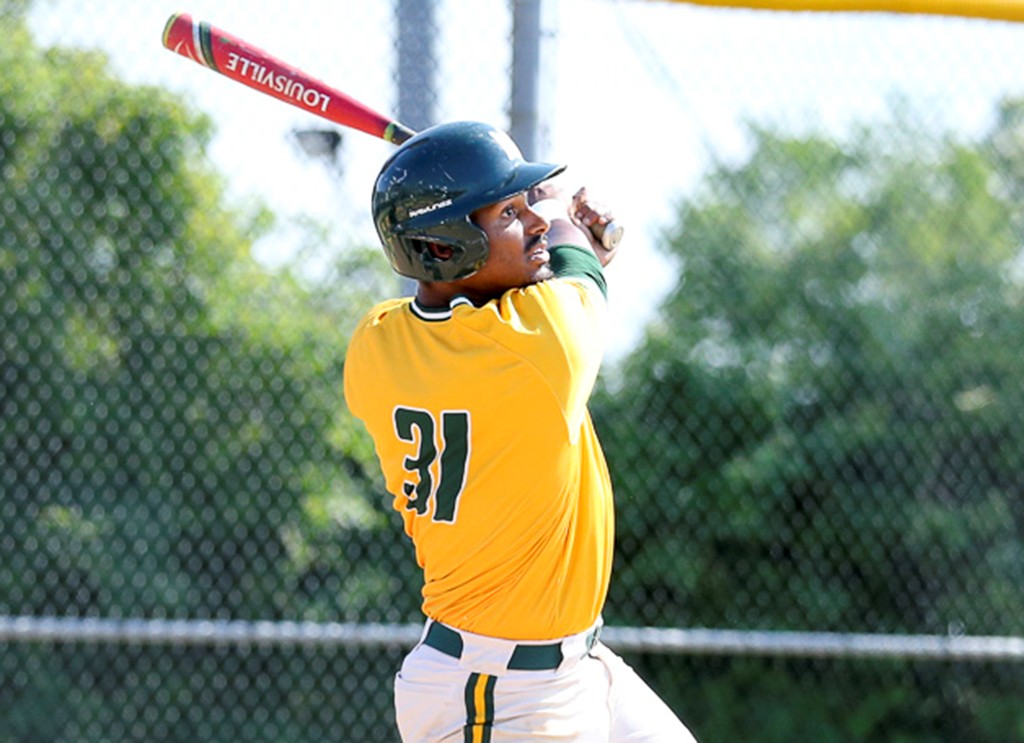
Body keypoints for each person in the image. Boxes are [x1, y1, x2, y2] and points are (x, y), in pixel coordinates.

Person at [343, 121, 697, 742]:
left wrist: (542, 222)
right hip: (501, 697)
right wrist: (563, 214)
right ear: (445, 246)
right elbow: (571, 262)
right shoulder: (537, 347)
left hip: (564, 669)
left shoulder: (374, 343)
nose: (533, 221)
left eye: (527, 206)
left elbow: (558, 271)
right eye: (510, 212)